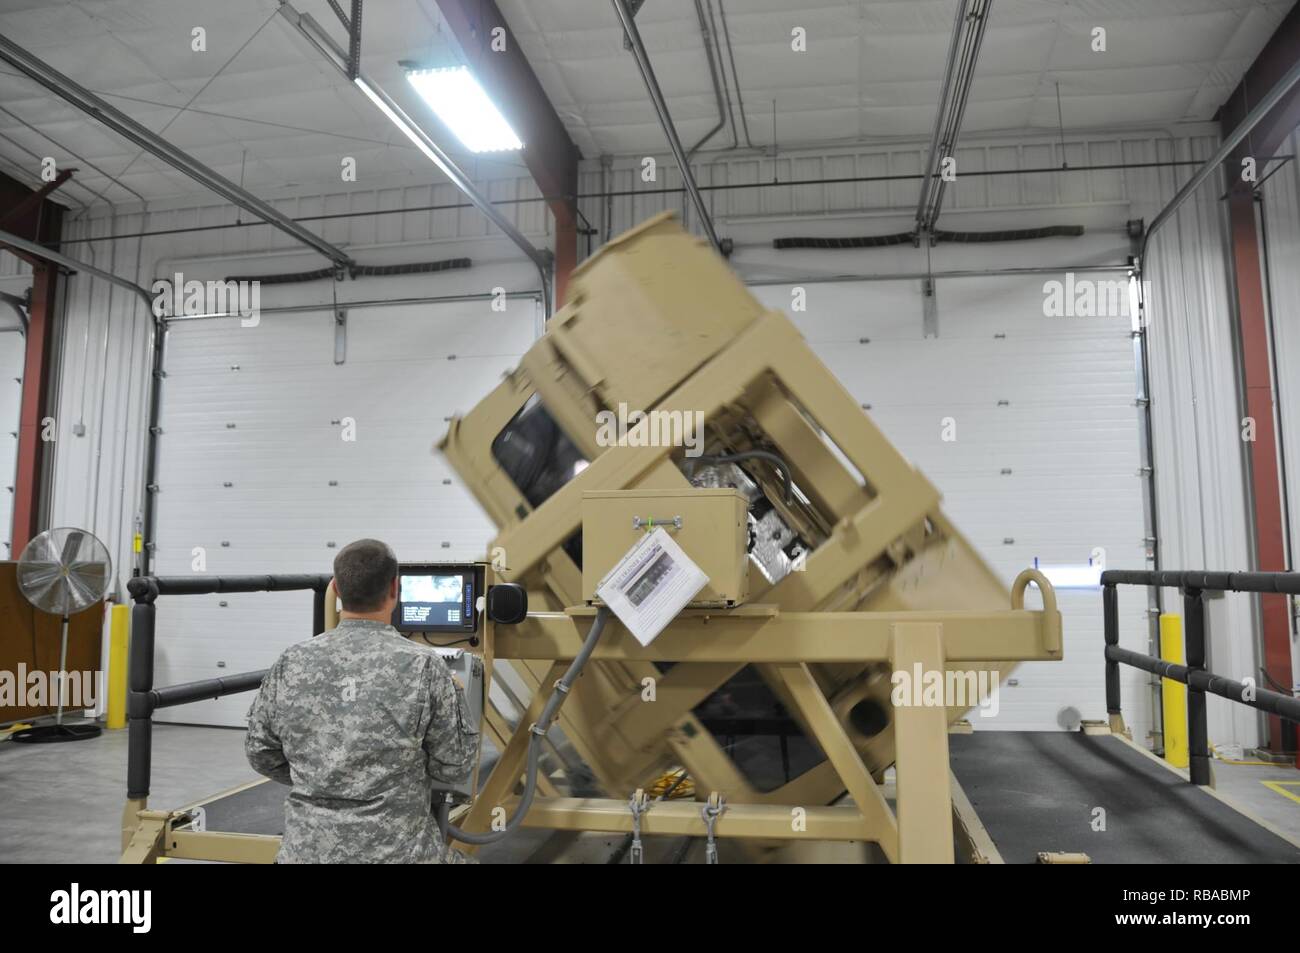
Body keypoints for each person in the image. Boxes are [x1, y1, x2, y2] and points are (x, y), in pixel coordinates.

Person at [245, 538, 479, 863]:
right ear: (395, 589)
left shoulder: (291, 662)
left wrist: (323, 777)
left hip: (305, 855)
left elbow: (261, 753)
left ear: (336, 590)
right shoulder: (425, 667)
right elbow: (456, 765)